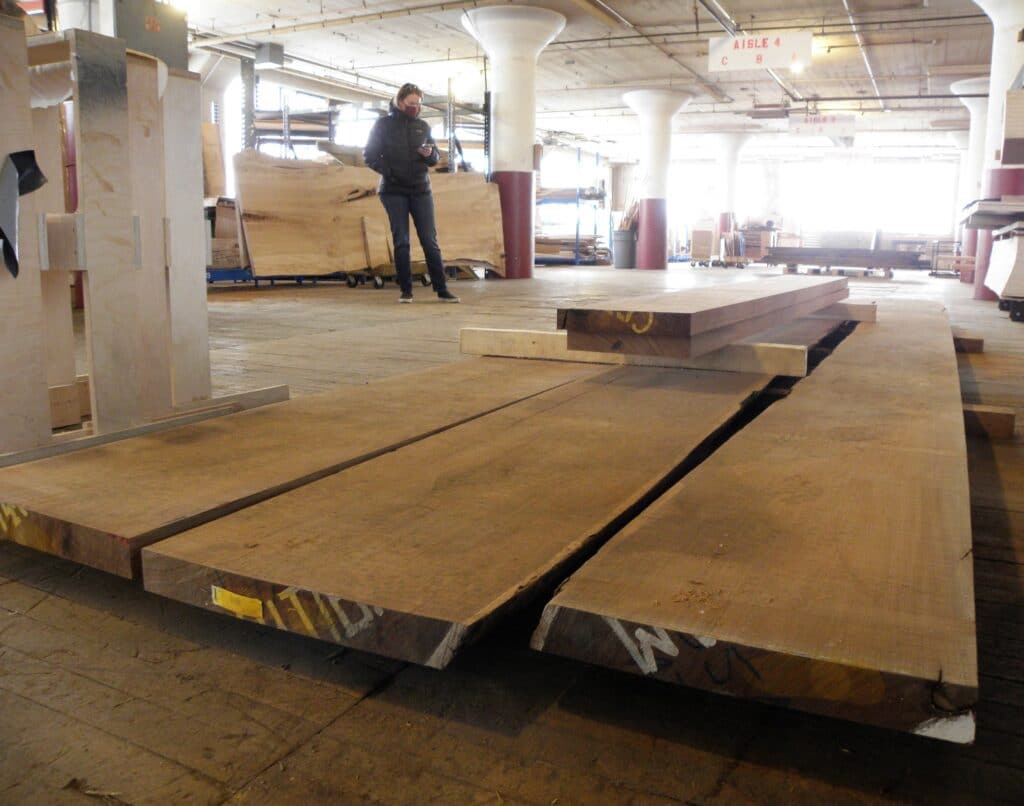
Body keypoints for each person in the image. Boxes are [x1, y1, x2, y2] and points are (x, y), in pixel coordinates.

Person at [363, 83, 460, 303]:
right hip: (393, 191)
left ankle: (441, 289)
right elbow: (369, 155)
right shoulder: (383, 125)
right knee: (402, 241)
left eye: (418, 104)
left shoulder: (422, 127)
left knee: (429, 240)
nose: (415, 108)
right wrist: (390, 172)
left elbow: (434, 157)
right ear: (400, 101)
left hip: (421, 190)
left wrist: (430, 154)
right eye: (411, 104)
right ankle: (406, 290)